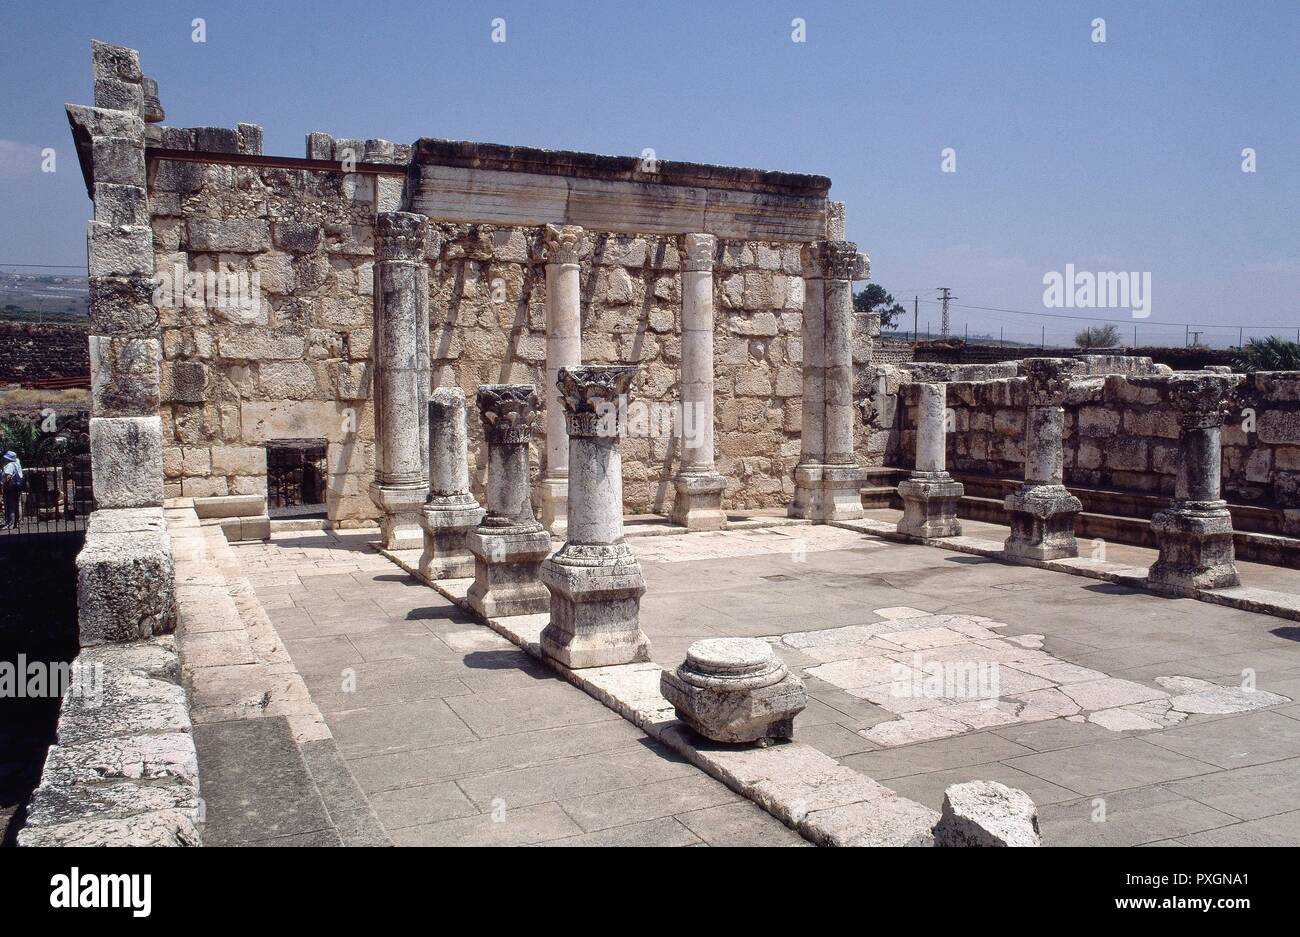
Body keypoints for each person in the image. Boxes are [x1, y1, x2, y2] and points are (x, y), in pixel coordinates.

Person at [2, 450, 23, 530]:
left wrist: (2, 485)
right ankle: (18, 522)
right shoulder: (17, 463)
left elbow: (8, 477)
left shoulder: (10, 465)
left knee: (10, 505)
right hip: (17, 487)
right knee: (18, 504)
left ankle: (10, 524)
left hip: (10, 487)